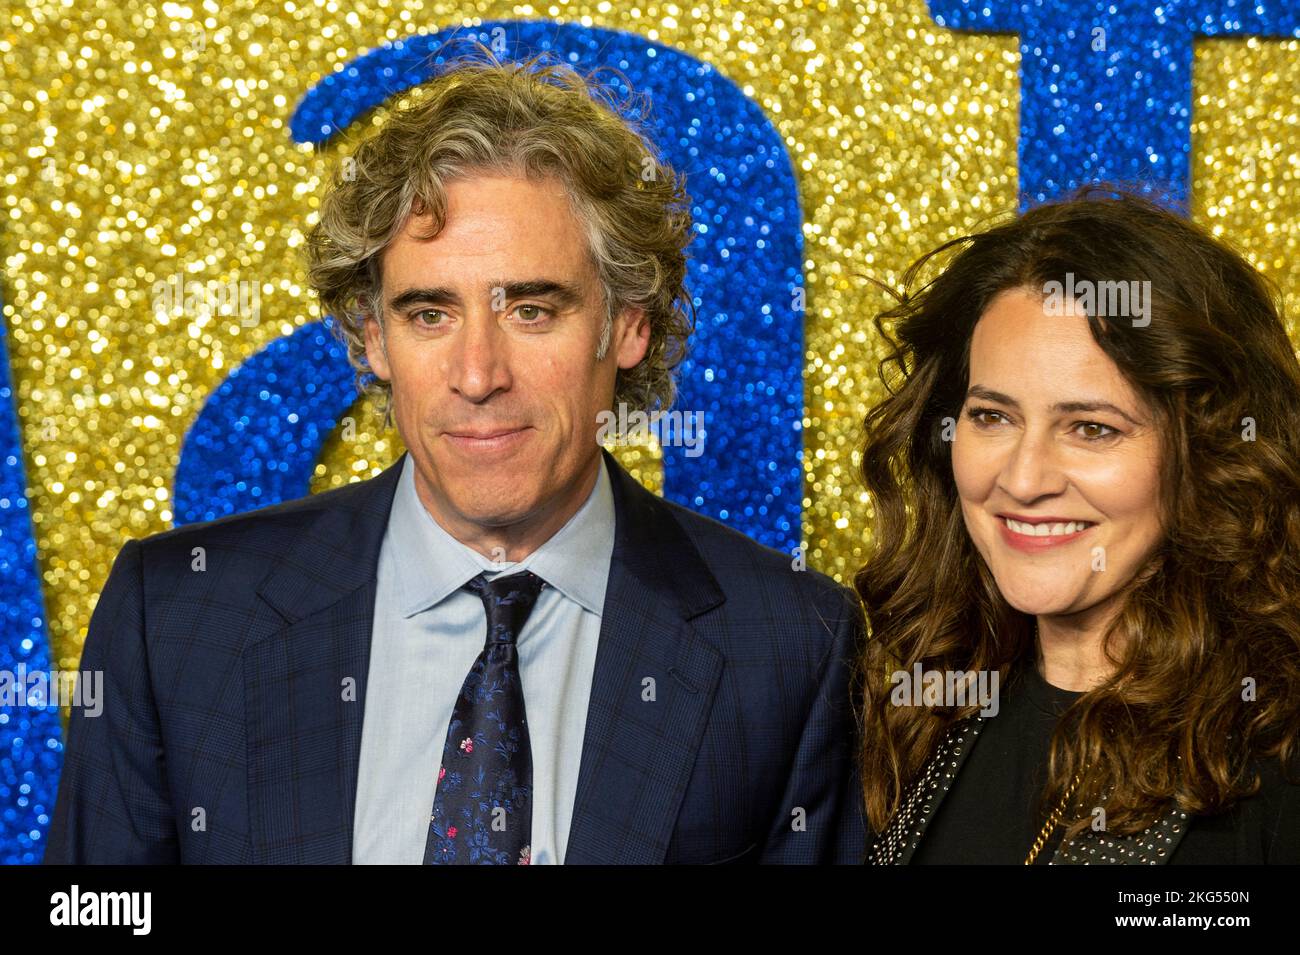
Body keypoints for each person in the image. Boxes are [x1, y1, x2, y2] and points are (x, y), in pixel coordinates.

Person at [43, 49, 865, 865]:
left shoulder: (791, 644)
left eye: (533, 310)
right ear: (374, 338)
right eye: (430, 314)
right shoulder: (175, 619)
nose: (478, 375)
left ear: (628, 326)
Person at [854, 187, 1300, 864]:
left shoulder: (1274, 752)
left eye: (1092, 428)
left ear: (1211, 453)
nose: (1025, 478)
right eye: (992, 416)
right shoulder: (922, 713)